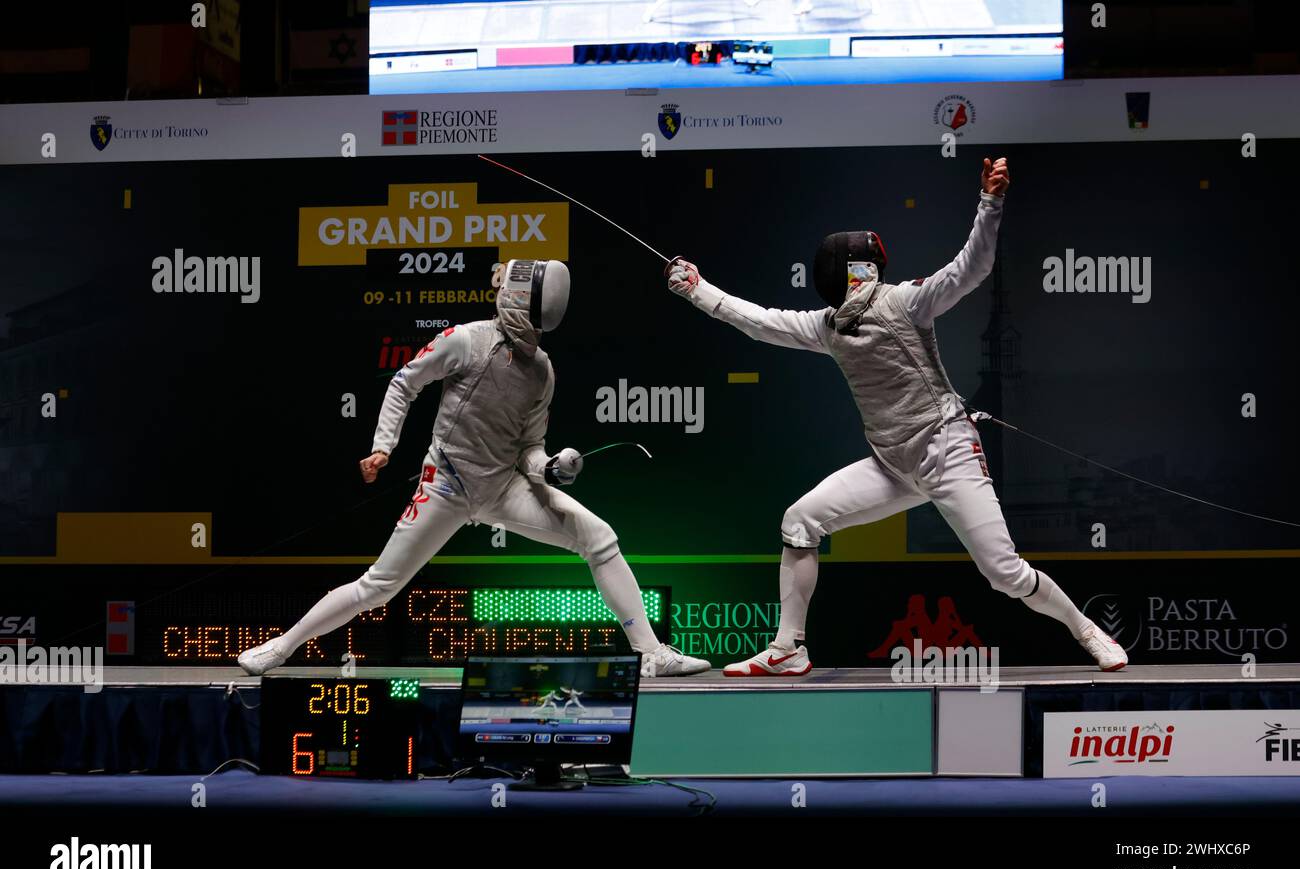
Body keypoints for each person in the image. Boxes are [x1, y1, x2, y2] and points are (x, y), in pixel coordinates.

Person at [665, 157, 1127, 676]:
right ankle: (789, 649)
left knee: (1004, 574)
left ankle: (1085, 629)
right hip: (891, 464)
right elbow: (760, 323)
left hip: (946, 451)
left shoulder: (905, 303)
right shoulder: (827, 326)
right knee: (800, 520)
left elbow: (970, 268)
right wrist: (698, 290)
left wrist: (990, 203)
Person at [239, 259, 709, 678]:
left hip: (504, 485)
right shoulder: (466, 340)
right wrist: (384, 447)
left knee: (599, 537)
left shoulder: (543, 370)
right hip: (446, 485)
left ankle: (650, 653)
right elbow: (404, 384)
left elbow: (529, 445)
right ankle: (279, 649)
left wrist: (549, 467)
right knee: (378, 587)